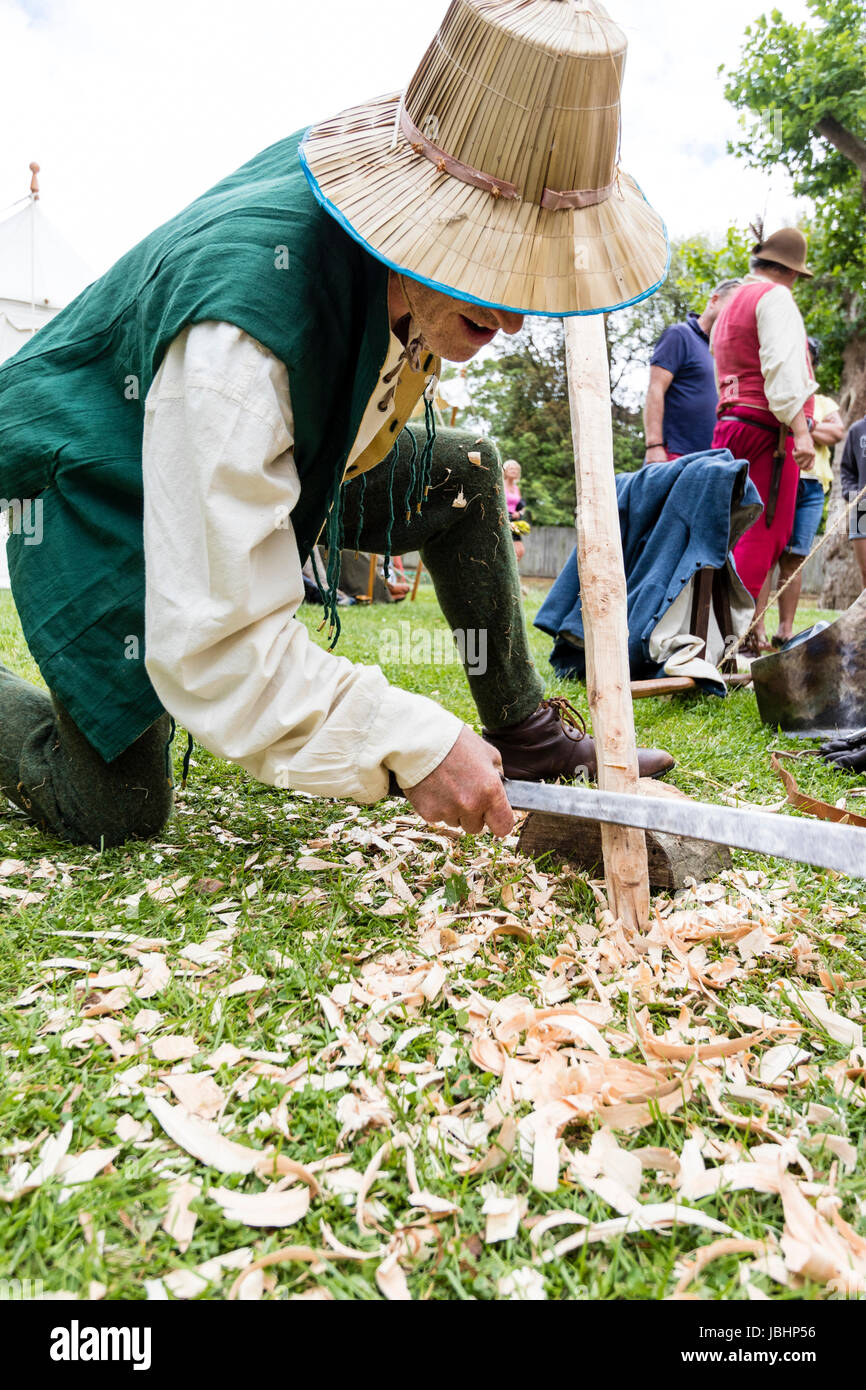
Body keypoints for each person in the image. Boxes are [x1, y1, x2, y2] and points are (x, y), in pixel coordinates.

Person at [0, 0, 674, 850]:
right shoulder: (240, 344)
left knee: (460, 470)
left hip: (287, 466)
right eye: (493, 270)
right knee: (114, 813)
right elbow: (219, 649)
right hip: (114, 476)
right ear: (421, 222)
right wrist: (416, 744)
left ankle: (527, 732)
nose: (512, 322)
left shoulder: (406, 262)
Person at [710, 227, 817, 653]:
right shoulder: (775, 298)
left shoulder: (731, 301)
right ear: (789, 272)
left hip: (731, 425)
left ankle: (717, 636)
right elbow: (783, 369)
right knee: (763, 535)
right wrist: (802, 432)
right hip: (766, 434)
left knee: (730, 532)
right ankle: (727, 645)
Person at [760, 338, 844, 648]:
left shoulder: (824, 402)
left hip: (812, 486)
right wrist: (811, 428)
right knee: (767, 555)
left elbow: (836, 433)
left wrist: (803, 423)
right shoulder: (778, 389)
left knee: (795, 559)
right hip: (781, 478)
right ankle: (754, 632)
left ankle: (785, 631)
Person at [643, 280, 742, 464]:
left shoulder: (726, 354)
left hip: (714, 460)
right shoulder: (680, 335)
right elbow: (655, 389)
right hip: (675, 455)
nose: (735, 316)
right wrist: (653, 445)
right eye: (732, 307)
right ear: (714, 300)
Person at [840, 412, 866, 592]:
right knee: (865, 570)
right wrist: (854, 495)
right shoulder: (857, 430)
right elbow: (847, 470)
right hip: (861, 507)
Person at [503, 459, 528, 562]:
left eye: (516, 469)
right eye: (511, 468)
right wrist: (508, 515)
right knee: (508, 551)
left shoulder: (516, 488)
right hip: (503, 519)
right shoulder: (500, 484)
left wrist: (519, 513)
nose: (514, 471)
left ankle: (512, 574)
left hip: (515, 521)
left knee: (520, 551)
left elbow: (522, 507)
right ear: (505, 470)